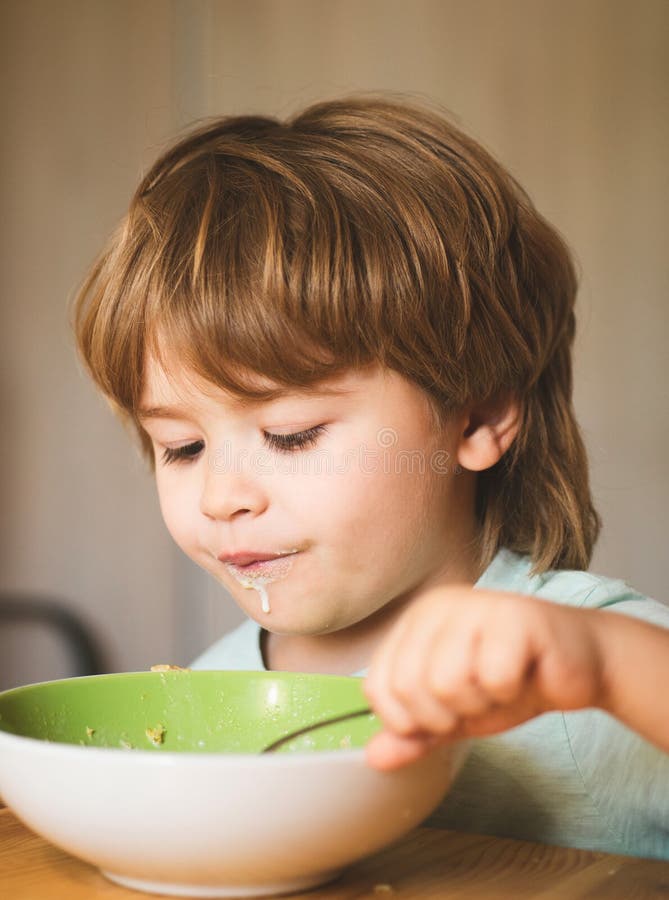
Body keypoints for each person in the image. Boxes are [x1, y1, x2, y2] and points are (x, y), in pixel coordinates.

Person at [72, 94, 669, 859]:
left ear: (476, 418)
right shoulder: (211, 690)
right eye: (182, 448)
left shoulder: (585, 665)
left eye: (290, 436)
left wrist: (608, 667)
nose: (222, 498)